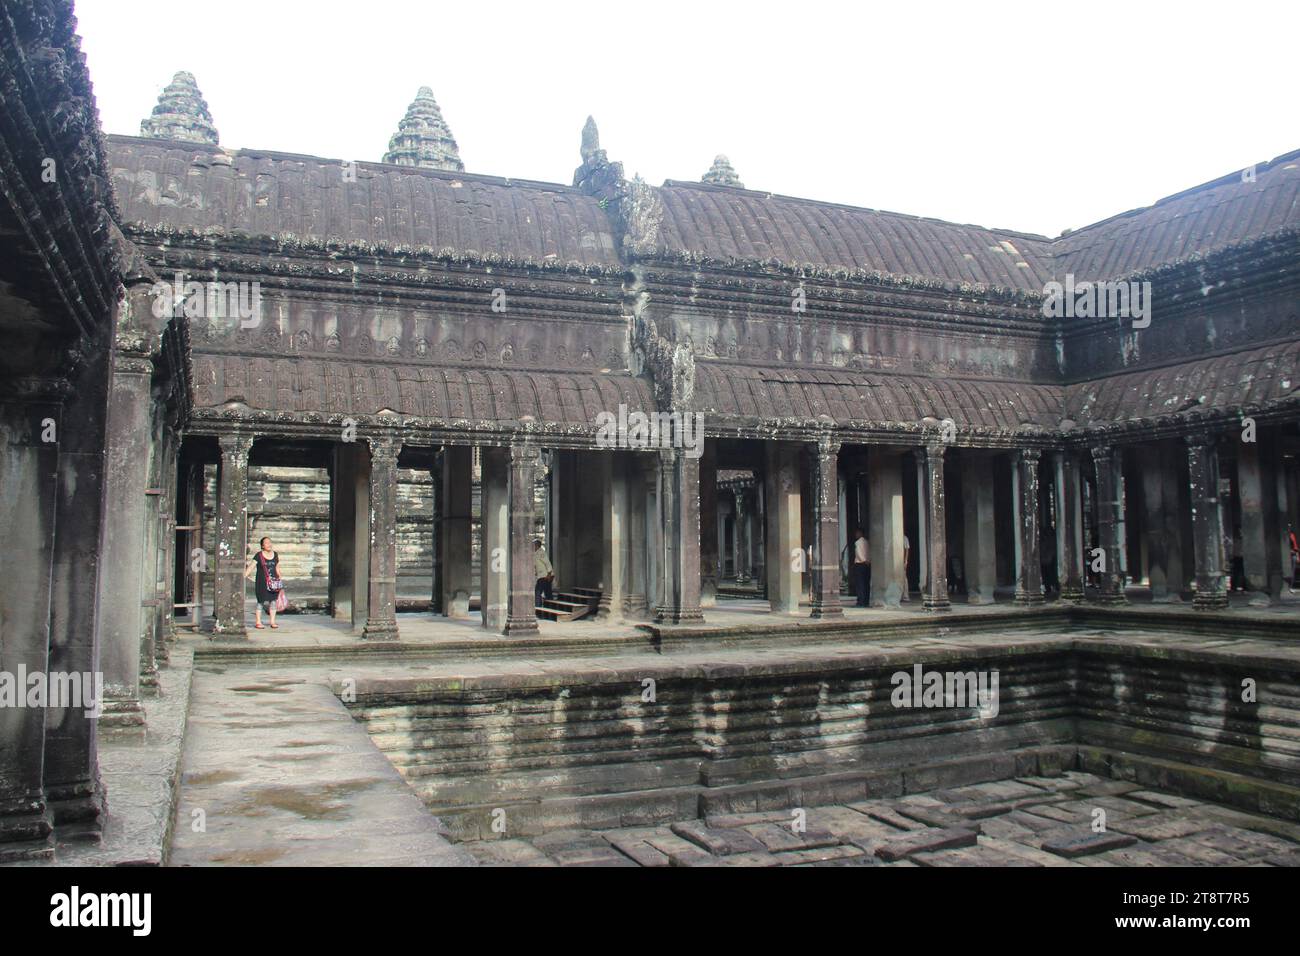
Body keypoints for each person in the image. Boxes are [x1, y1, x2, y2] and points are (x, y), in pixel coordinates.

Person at [243, 536, 283, 629]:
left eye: (270, 542)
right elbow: (251, 567)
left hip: (274, 583)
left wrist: (280, 577)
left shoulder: (275, 554)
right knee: (260, 602)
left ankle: (272, 622)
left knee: (273, 602)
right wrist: (244, 576)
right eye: (266, 543)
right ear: (262, 546)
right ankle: (258, 622)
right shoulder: (259, 555)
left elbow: (277, 567)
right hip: (262, 583)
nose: (269, 544)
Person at [851, 527, 871, 608]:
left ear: (860, 533)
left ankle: (861, 602)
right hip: (867, 564)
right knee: (866, 583)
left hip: (860, 564)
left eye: (857, 533)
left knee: (860, 584)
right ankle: (866, 601)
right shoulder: (867, 542)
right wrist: (868, 561)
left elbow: (859, 554)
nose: (856, 535)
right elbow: (869, 553)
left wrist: (863, 560)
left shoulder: (858, 543)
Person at [534, 540, 554, 607]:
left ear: (537, 545)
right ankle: (550, 608)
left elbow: (547, 563)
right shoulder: (536, 553)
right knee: (548, 592)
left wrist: (549, 574)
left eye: (533, 544)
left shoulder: (541, 553)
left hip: (545, 575)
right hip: (543, 575)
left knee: (538, 591)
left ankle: (538, 608)